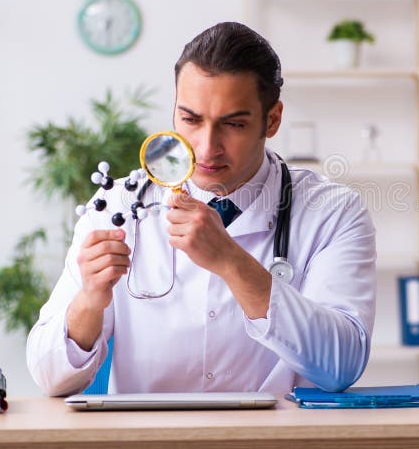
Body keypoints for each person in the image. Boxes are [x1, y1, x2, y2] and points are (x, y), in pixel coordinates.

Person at [26, 22, 376, 396]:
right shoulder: (117, 206)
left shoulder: (332, 212)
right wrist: (90, 301)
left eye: (234, 124)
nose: (206, 149)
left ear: (271, 120)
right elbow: (49, 378)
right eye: (191, 120)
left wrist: (231, 260)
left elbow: (342, 365)